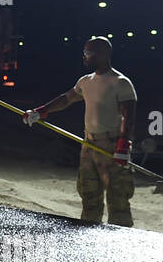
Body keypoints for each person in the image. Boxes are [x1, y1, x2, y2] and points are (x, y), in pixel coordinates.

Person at [23, 36, 136, 227]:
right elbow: (67, 99)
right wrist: (41, 111)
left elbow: (128, 116)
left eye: (89, 53)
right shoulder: (86, 81)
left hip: (111, 145)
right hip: (88, 144)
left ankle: (120, 239)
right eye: (84, 53)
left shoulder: (120, 82)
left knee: (118, 198)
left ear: (104, 54)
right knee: (89, 193)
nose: (85, 57)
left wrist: (123, 146)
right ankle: (89, 235)